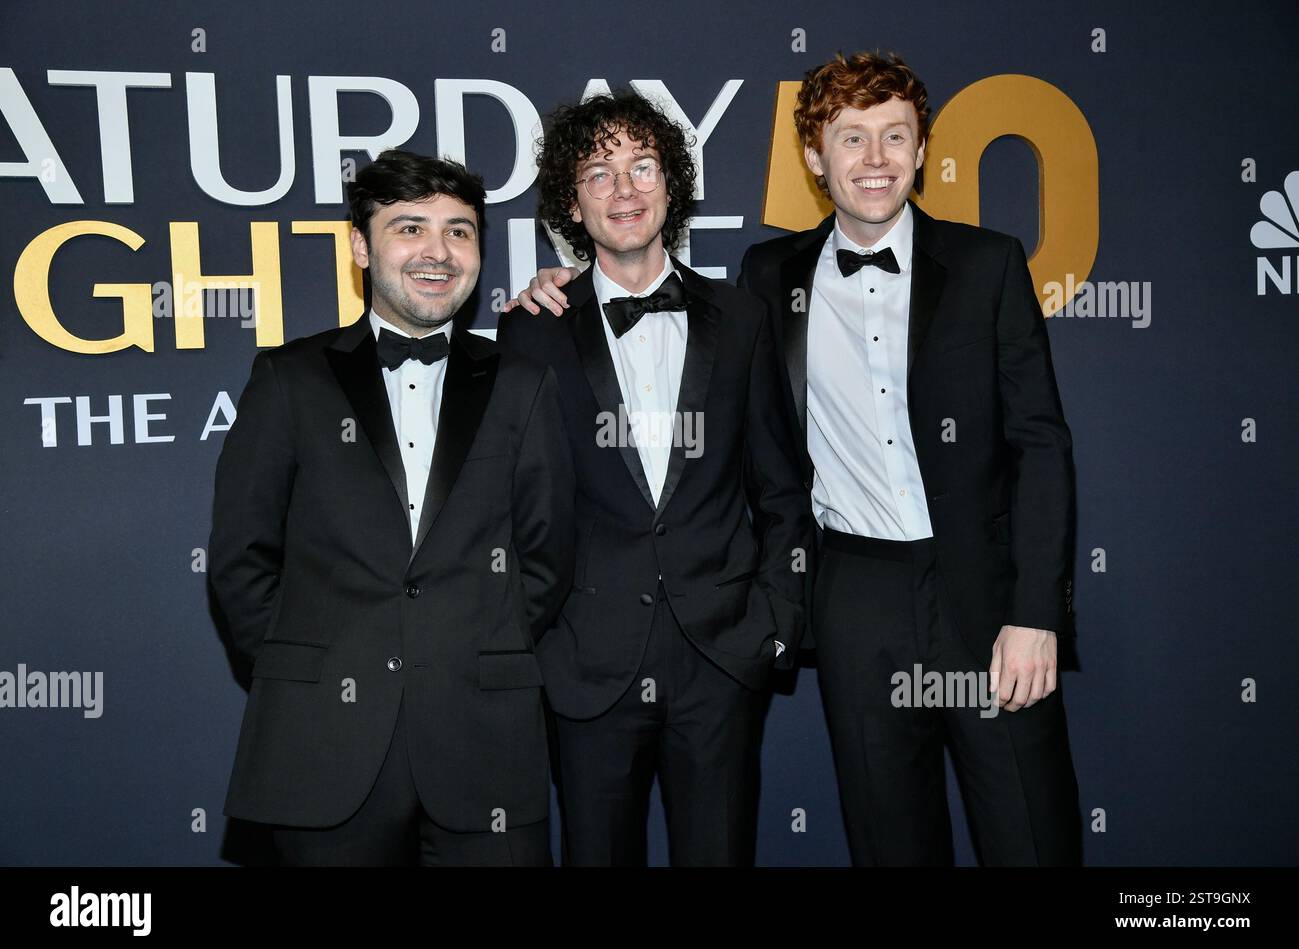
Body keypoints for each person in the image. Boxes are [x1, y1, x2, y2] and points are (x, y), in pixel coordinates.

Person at [508, 53, 1082, 866]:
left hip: (988, 600)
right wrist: (556, 289)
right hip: (854, 598)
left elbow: (1041, 446)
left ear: (923, 150)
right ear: (815, 157)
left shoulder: (988, 264)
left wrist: (1037, 613)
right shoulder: (769, 281)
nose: (874, 159)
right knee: (890, 843)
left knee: (1030, 834)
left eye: (894, 136)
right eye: (851, 138)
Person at [209, 149, 574, 865]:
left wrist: (473, 646)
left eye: (459, 232)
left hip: (484, 740)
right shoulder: (290, 378)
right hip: (324, 741)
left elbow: (547, 553)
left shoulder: (523, 382)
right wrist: (311, 666)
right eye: (410, 228)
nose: (438, 252)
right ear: (360, 246)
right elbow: (241, 559)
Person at [496, 91, 812, 866]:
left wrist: (774, 626)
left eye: (642, 167)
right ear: (572, 203)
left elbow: (781, 488)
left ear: (671, 183)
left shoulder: (743, 319)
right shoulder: (530, 330)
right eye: (598, 175)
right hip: (585, 663)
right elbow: (510, 505)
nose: (624, 190)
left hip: (722, 657)